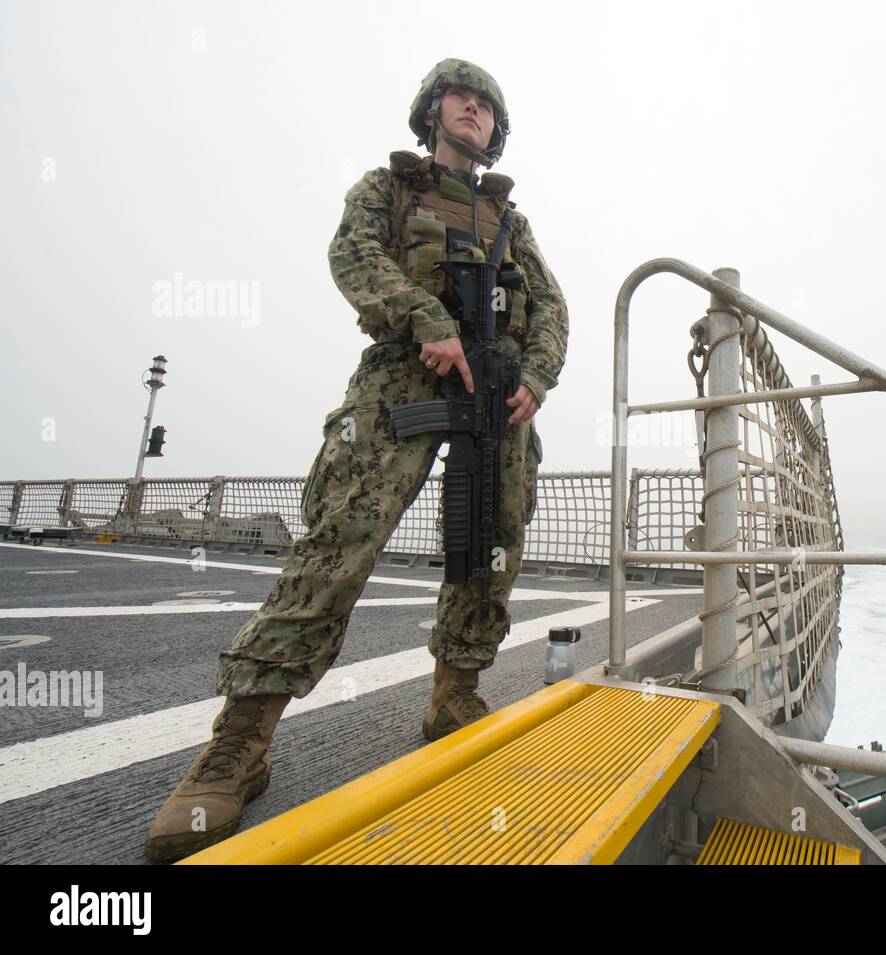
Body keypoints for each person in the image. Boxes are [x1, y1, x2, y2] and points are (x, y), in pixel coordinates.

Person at [143, 59, 568, 863]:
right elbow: (353, 256)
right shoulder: (389, 187)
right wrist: (423, 315)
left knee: (491, 547)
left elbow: (551, 307)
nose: (473, 110)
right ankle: (240, 744)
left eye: (486, 105)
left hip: (496, 392)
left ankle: (455, 695)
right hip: (406, 373)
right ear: (431, 112)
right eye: (460, 98)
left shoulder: (514, 219)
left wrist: (538, 376)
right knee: (342, 542)